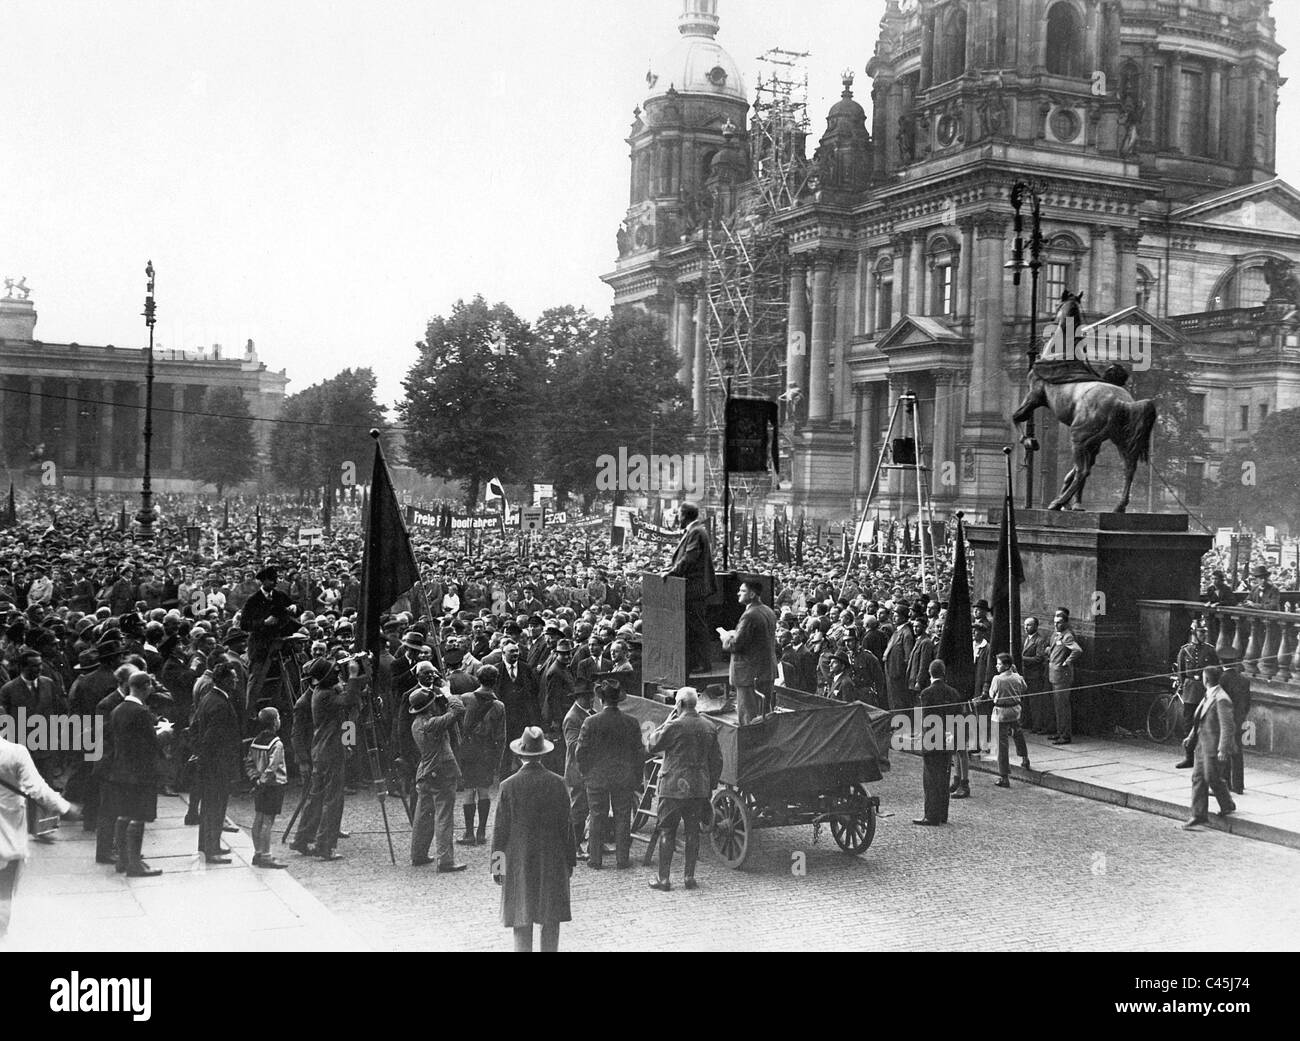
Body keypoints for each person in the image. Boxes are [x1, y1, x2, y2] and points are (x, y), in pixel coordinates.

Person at [492, 726, 576, 953]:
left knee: (521, 916)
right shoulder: (558, 783)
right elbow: (567, 826)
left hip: (518, 861)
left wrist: (497, 867)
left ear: (520, 755)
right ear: (543, 754)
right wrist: (570, 862)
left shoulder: (507, 786)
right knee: (550, 918)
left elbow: (500, 831)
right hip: (552, 860)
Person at [1, 734, 77, 939]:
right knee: (3, 894)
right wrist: (65, 808)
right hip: (5, 835)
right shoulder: (14, 753)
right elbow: (37, 788)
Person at [646, 686, 722, 891]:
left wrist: (667, 722)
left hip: (672, 786)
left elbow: (652, 745)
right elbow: (717, 761)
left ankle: (664, 879)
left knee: (667, 831)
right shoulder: (709, 726)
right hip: (698, 787)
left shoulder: (674, 725)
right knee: (692, 833)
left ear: (679, 704)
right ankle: (689, 877)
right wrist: (710, 785)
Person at [291, 655, 363, 861]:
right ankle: (325, 846)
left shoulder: (327, 691)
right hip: (329, 752)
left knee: (316, 797)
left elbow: (347, 718)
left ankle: (302, 839)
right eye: (335, 672)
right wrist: (354, 677)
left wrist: (348, 742)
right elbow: (349, 702)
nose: (338, 673)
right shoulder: (322, 695)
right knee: (333, 800)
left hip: (326, 750)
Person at [108, 672, 174, 877]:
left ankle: (123, 860)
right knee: (138, 818)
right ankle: (135, 864)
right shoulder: (141, 712)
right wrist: (165, 733)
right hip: (141, 774)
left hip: (121, 771)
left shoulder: (118, 709)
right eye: (151, 686)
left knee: (123, 814)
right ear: (145, 687)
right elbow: (151, 744)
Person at [575, 679, 643, 870]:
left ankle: (595, 859)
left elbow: (580, 752)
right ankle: (622, 859)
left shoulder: (590, 722)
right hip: (624, 778)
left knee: (597, 816)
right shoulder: (631, 722)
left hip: (596, 778)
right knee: (623, 817)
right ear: (618, 699)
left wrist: (586, 773)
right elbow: (639, 753)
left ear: (600, 699)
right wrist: (636, 777)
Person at [409, 682, 467, 871]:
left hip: (425, 771)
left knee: (423, 815)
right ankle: (446, 860)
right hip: (442, 772)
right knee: (444, 816)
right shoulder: (433, 723)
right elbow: (458, 710)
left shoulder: (417, 724)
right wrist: (448, 692)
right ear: (430, 706)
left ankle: (418, 854)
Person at [191, 656, 242, 864]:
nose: (237, 682)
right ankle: (211, 849)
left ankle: (209, 845)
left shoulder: (210, 698)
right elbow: (213, 737)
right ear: (227, 681)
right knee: (215, 806)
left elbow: (195, 729)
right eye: (235, 679)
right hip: (217, 764)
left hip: (210, 762)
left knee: (211, 806)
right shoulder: (220, 704)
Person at [662, 502, 717, 676]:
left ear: (685, 515)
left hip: (694, 588)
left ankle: (703, 663)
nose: (677, 517)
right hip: (691, 587)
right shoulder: (696, 531)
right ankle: (697, 661)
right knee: (694, 626)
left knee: (697, 626)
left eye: (678, 514)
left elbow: (690, 558)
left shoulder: (695, 532)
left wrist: (671, 572)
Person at [1182, 665, 1237, 830]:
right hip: (1202, 744)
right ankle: (1199, 815)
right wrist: (1191, 736)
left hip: (1213, 746)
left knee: (1212, 778)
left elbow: (1228, 727)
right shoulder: (1208, 695)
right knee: (1198, 778)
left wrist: (1223, 749)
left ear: (1206, 679)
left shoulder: (1221, 699)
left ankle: (1227, 804)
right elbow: (1200, 718)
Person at [458, 664, 506, 846]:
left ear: (478, 679)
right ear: (495, 681)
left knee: (469, 790)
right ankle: (482, 832)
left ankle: (468, 833)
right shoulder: (499, 706)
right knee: (484, 791)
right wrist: (498, 761)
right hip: (488, 751)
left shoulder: (466, 699)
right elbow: (501, 736)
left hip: (469, 750)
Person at [720, 578, 778, 725]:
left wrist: (726, 638)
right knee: (765, 715)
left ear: (752, 594)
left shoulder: (750, 615)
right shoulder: (768, 611)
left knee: (749, 718)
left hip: (749, 675)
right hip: (765, 671)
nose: (738, 593)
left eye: (742, 590)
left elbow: (736, 645)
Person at [914, 660, 956, 826]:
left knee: (930, 779)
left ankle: (931, 815)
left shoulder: (926, 693)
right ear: (943, 673)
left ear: (930, 673)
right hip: (947, 739)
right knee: (944, 777)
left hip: (931, 740)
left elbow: (925, 720)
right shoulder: (953, 693)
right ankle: (943, 814)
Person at [246, 707, 288, 869]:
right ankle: (266, 855)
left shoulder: (254, 741)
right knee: (268, 821)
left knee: (258, 818)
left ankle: (257, 852)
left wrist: (255, 779)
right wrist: (263, 782)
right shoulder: (277, 744)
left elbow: (249, 762)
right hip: (273, 785)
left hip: (259, 784)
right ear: (274, 722)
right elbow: (273, 767)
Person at [1173, 621, 1219, 768]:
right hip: (1190, 690)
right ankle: (1189, 757)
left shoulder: (1210, 650)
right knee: (1188, 724)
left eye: (1205, 632)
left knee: (1205, 723)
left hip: (1205, 690)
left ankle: (1204, 757)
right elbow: (1181, 672)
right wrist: (1182, 686)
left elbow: (1215, 669)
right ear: (1194, 633)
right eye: (1201, 632)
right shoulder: (1185, 650)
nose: (1204, 635)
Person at [562, 681, 596, 858]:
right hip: (578, 770)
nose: (592, 699)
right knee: (578, 810)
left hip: (589, 770)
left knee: (590, 808)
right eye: (587, 697)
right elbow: (573, 745)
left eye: (592, 696)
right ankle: (574, 847)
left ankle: (594, 843)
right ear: (578, 698)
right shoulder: (572, 717)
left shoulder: (590, 714)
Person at [988, 652, 1030, 787]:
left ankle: (1004, 776)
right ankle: (1024, 758)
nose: (996, 666)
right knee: (1018, 734)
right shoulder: (1018, 677)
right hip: (1015, 710)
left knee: (1002, 744)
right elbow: (1024, 688)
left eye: (999, 664)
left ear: (1006, 665)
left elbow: (991, 694)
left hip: (1001, 712)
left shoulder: (997, 679)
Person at [1048, 609, 1083, 744]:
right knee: (1058, 706)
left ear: (1066, 623)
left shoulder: (1067, 636)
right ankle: (1059, 731)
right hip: (1055, 675)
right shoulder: (1057, 635)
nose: (1056, 625)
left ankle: (1065, 735)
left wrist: (1067, 662)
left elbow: (1077, 650)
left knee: (1063, 706)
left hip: (1062, 676)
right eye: (1055, 623)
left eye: (1059, 623)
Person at [1219, 660, 1251, 796]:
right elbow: (1248, 702)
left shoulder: (1221, 679)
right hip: (1239, 719)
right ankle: (1238, 786)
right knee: (1237, 751)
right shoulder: (1244, 680)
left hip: (1225, 719)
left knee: (1224, 749)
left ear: (1222, 662)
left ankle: (1225, 782)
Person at [1020, 617, 1051, 734]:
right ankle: (1027, 723)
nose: (1025, 627)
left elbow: (1039, 658)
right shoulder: (1027, 639)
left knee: (1035, 703)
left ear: (1036, 626)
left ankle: (1037, 725)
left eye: (1029, 625)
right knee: (1026, 701)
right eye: (1025, 625)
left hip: (1035, 675)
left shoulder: (1039, 640)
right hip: (1026, 674)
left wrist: (1022, 659)